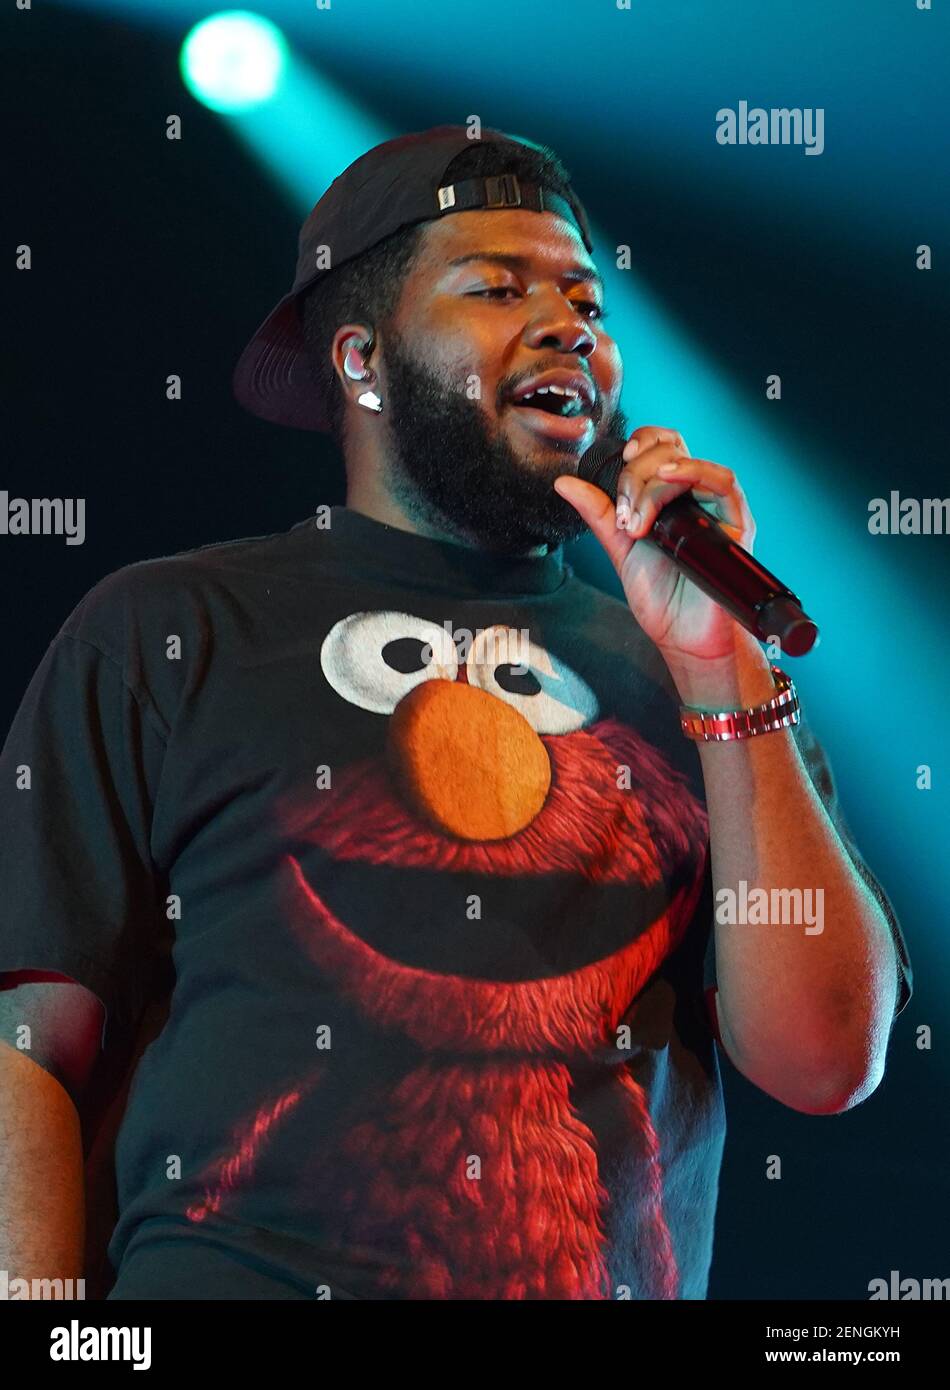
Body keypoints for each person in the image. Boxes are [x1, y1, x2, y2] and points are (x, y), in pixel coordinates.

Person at [0, 125, 912, 1301]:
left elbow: (826, 1063)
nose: (566, 323)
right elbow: (32, 1048)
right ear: (362, 362)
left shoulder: (688, 676)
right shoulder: (171, 626)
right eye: (494, 287)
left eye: (585, 299)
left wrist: (720, 670)